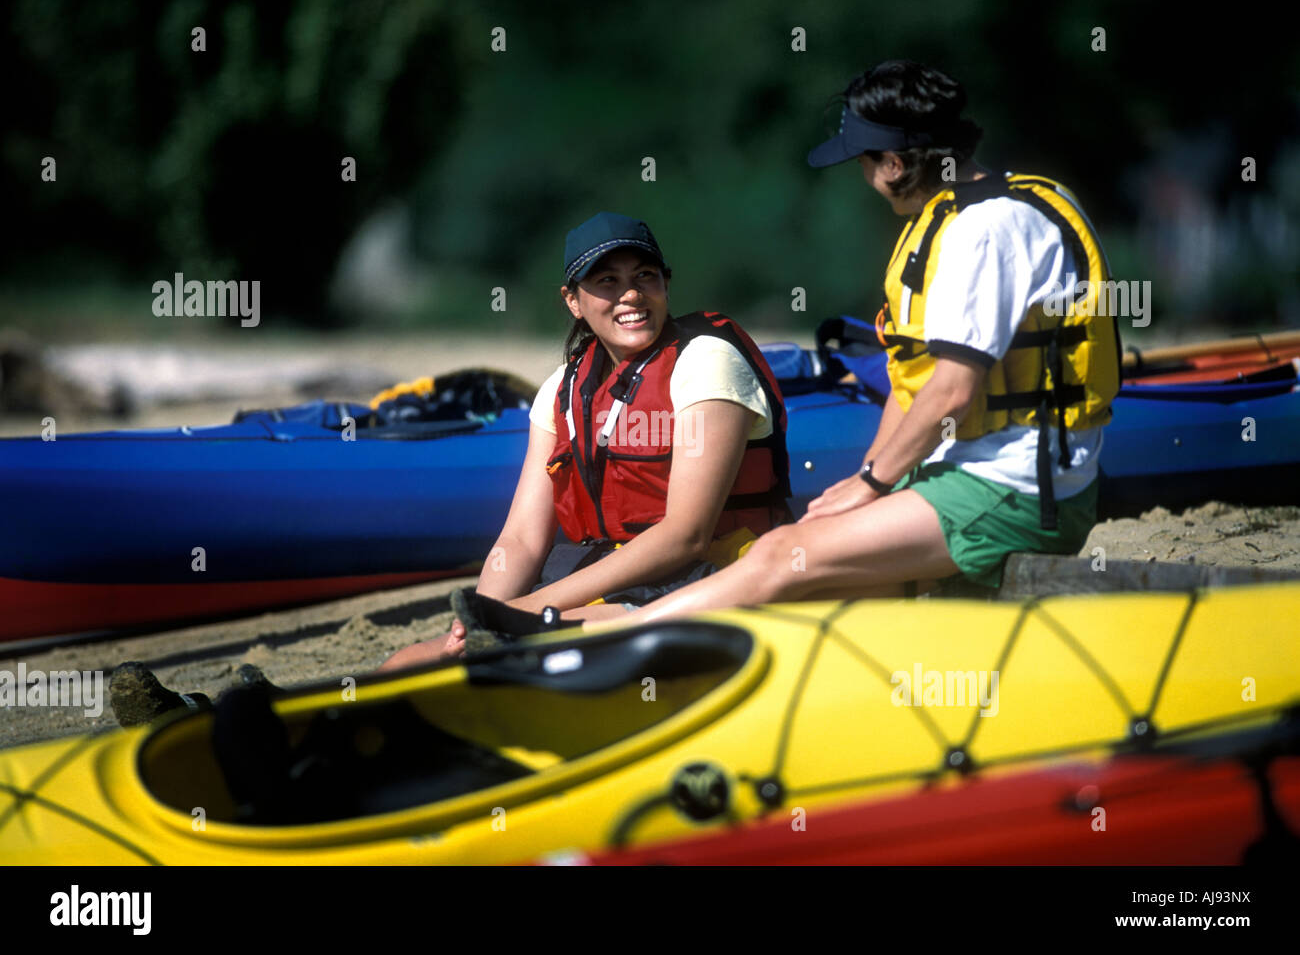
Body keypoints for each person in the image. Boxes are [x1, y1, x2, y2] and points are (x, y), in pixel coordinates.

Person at [578, 59, 1121, 632]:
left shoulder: (983, 231)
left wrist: (872, 484)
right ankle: (590, 618)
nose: (863, 178)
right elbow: (913, 386)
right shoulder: (980, 211)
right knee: (803, 558)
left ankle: (608, 633)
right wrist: (864, 484)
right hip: (971, 474)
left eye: (864, 162)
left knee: (781, 556)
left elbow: (953, 391)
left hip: (1018, 492)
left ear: (893, 163)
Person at [378, 212, 790, 669]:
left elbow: (685, 537)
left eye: (644, 276)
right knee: (407, 661)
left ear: (666, 285)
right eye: (607, 281)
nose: (630, 294)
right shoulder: (561, 389)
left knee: (534, 646)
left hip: (709, 576)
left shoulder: (707, 362)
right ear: (573, 300)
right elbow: (520, 539)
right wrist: (477, 617)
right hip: (605, 579)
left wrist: (524, 612)